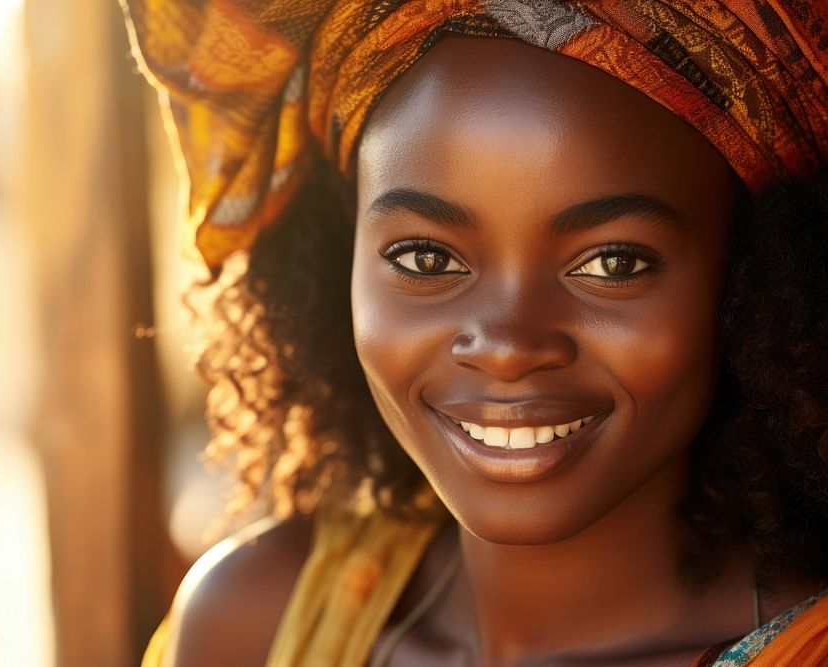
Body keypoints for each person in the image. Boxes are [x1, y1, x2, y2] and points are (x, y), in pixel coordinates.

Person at [122, 1, 828, 665]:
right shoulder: (250, 623)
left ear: (753, 276)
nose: (507, 345)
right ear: (343, 260)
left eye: (612, 263)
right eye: (426, 259)